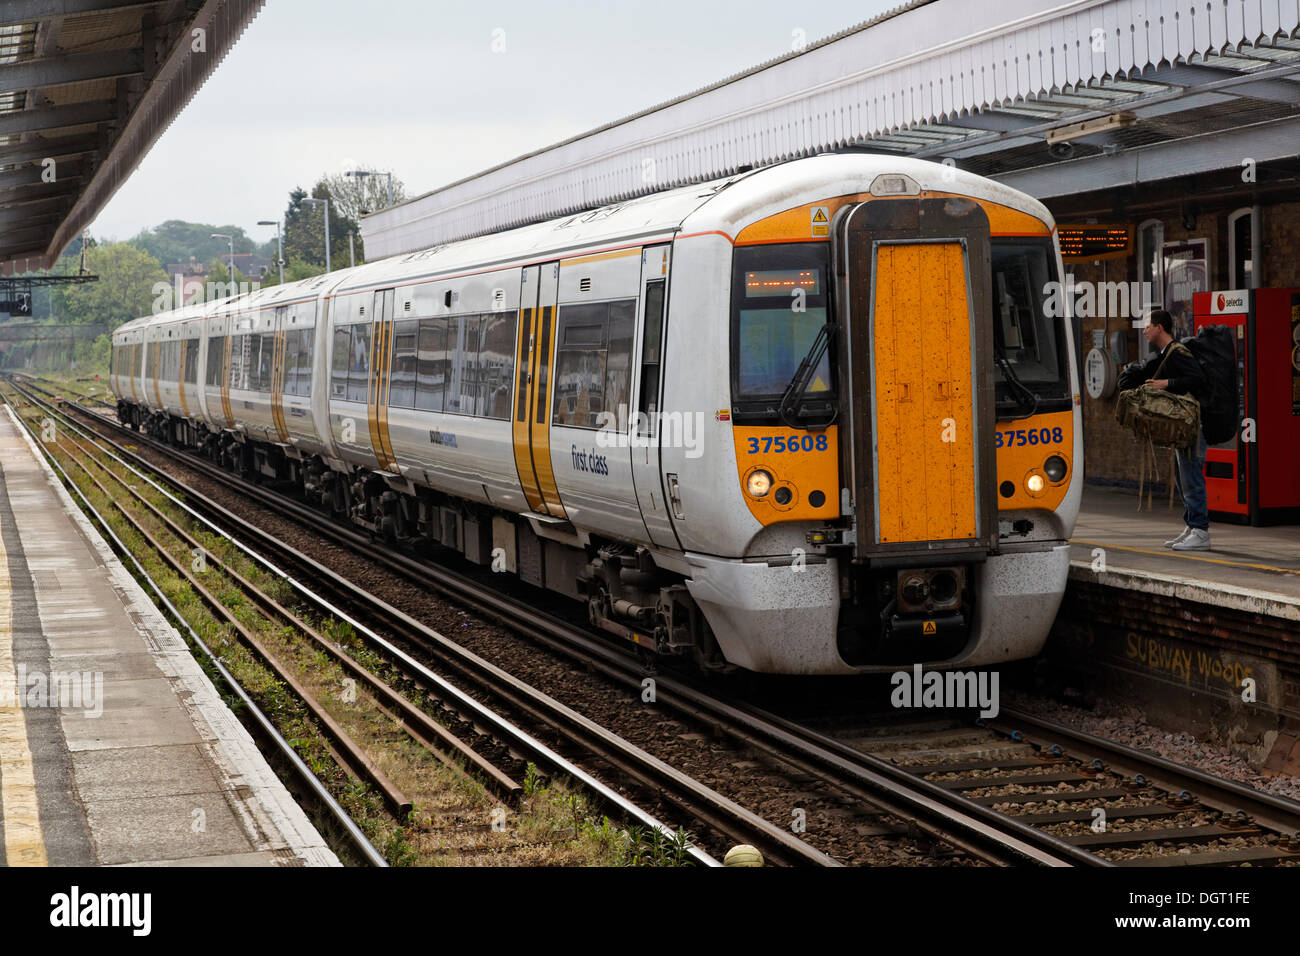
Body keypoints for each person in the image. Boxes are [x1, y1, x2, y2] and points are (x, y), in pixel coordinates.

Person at [1123, 309, 1210, 550]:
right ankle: (1192, 526)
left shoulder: (1178, 352)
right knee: (1183, 479)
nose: (1144, 331)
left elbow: (1198, 379)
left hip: (1193, 425)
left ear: (1159, 327)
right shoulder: (1164, 354)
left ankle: (1201, 531)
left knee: (1191, 477)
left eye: (1148, 326)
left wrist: (1166, 383)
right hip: (1182, 427)